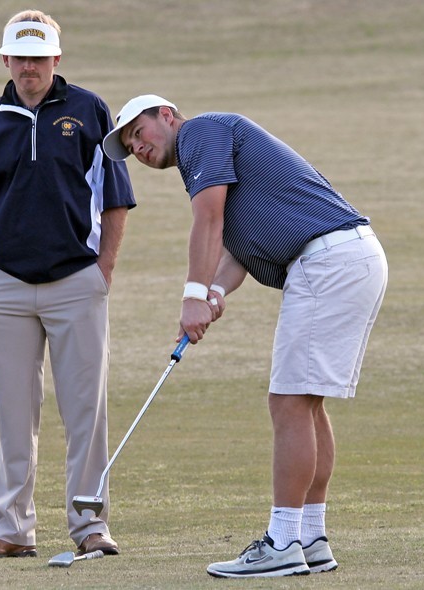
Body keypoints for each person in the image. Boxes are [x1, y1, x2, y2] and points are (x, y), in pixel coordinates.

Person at [102, 95, 387, 577]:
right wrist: (213, 292)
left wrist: (192, 295)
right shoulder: (204, 160)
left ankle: (281, 543)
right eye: (130, 145)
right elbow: (236, 249)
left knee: (289, 402)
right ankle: (310, 537)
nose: (138, 147)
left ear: (167, 115)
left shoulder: (202, 133)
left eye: (139, 132)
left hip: (328, 262)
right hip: (345, 259)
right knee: (306, 402)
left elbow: (208, 219)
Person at [0, 11, 135, 559]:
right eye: (21, 56)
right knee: (14, 412)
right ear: (5, 59)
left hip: (75, 281)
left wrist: (102, 269)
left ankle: (90, 527)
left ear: (56, 59)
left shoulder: (89, 111)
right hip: (5, 285)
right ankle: (11, 530)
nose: (30, 66)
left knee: (86, 410)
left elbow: (115, 197)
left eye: (40, 57)